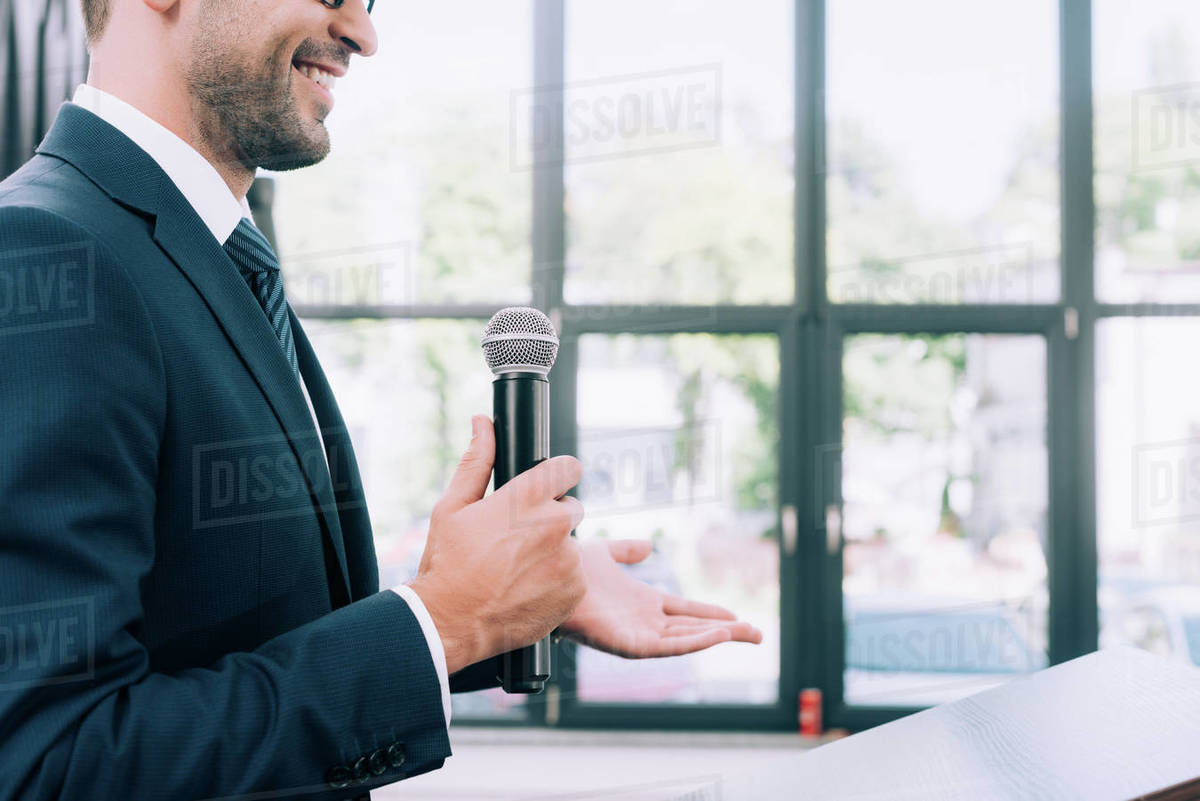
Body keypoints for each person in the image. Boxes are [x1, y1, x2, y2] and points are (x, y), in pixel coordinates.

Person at [0, 1, 763, 799]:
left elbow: (246, 633)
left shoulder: (213, 253)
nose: (365, 35)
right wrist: (443, 620)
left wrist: (489, 601)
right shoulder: (49, 253)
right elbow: (49, 762)